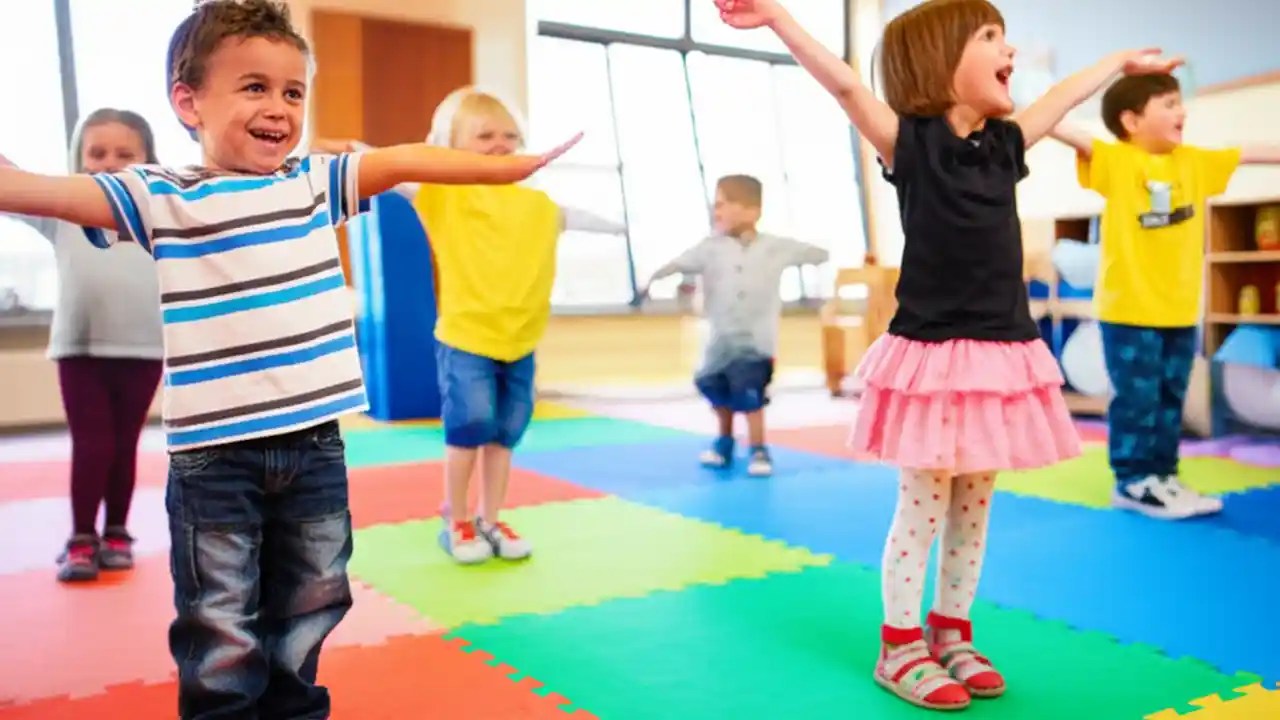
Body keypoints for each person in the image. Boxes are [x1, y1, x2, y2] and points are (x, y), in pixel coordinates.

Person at [0, 1, 578, 717]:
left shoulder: (311, 183)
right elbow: (29, 189)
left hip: (315, 448)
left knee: (313, 601)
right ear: (188, 101)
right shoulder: (158, 195)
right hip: (216, 459)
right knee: (222, 622)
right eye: (254, 87)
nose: (279, 107)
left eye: (293, 91)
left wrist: (500, 170)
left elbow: (397, 159)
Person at [715, 0, 1178, 710]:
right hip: (934, 354)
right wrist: (778, 17)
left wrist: (1118, 64)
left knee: (975, 507)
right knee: (924, 505)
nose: (1011, 51)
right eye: (990, 38)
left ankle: (950, 632)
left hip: (999, 352)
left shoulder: (1006, 145)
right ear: (939, 61)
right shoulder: (910, 142)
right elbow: (842, 84)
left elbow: (1059, 100)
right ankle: (897, 646)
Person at [318, 87, 625, 565]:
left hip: (520, 340)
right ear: (451, 147)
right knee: (469, 427)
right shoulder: (442, 195)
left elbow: (582, 219)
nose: (501, 143)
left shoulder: (537, 205)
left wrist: (627, 227)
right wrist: (352, 153)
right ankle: (455, 517)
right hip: (467, 339)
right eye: (484, 136)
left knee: (506, 433)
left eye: (510, 135)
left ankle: (491, 515)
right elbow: (395, 170)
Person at [1051, 75, 1280, 520]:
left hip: (1178, 312)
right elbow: (1072, 134)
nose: (1182, 112)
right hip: (1130, 311)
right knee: (1137, 398)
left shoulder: (1193, 162)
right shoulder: (1117, 162)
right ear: (1131, 120)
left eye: (1181, 103)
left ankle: (1163, 476)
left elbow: (1253, 151)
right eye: (1169, 104)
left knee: (1171, 397)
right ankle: (1133, 481)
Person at [2, 108, 164, 583]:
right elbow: (13, 182)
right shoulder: (65, 212)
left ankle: (116, 532)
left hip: (143, 349)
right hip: (81, 349)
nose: (108, 162)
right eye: (96, 153)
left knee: (125, 445)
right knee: (92, 445)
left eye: (123, 153)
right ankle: (80, 538)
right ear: (78, 160)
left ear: (147, 161)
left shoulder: (158, 212)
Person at [638, 174, 828, 476]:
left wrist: (823, 258)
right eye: (716, 206)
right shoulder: (710, 248)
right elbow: (679, 263)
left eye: (724, 205)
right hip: (720, 339)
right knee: (715, 385)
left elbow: (817, 253)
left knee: (750, 392)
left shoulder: (774, 247)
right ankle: (724, 439)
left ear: (752, 212)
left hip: (756, 340)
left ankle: (758, 448)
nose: (718, 212)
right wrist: (652, 279)